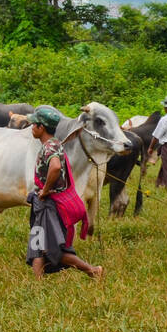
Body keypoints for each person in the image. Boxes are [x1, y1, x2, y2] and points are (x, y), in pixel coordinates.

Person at [24, 105, 102, 280]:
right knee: (36, 244)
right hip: (42, 204)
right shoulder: (56, 143)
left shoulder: (49, 148)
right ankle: (36, 284)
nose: (31, 128)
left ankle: (92, 270)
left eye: (33, 124)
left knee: (54, 250)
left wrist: (44, 191)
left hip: (49, 205)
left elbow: (56, 167)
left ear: (40, 127)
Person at [147, 96, 167, 191]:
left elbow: (156, 136)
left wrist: (150, 148)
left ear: (165, 108)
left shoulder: (164, 119)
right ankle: (159, 183)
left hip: (166, 146)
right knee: (166, 165)